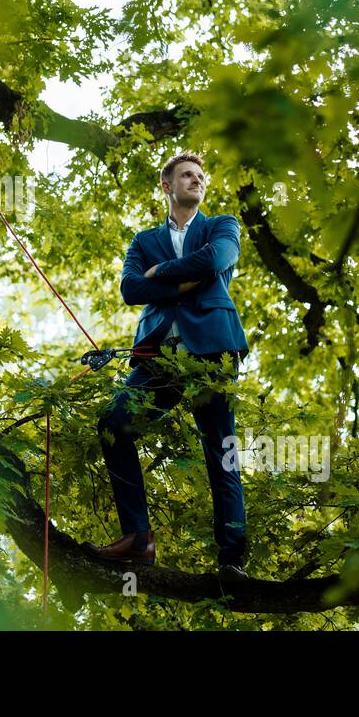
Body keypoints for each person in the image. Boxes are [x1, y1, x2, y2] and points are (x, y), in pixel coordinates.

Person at [80, 149, 251, 582]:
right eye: (187, 175)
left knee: (221, 453)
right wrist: (182, 281)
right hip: (159, 357)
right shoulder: (143, 241)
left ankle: (232, 560)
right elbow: (131, 289)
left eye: (200, 176)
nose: (197, 181)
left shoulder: (222, 226)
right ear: (167, 186)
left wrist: (162, 276)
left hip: (211, 352)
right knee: (112, 424)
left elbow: (216, 261)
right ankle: (138, 538)